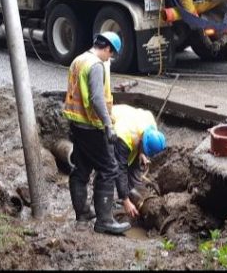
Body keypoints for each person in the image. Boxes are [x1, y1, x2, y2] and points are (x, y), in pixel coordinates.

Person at [62, 31, 132, 235]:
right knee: (109, 168)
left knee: (81, 168)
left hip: (76, 123)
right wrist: (108, 124)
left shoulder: (79, 60)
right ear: (108, 48)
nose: (110, 58)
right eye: (111, 54)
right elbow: (96, 98)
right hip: (91, 126)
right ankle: (104, 221)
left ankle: (83, 212)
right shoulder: (95, 65)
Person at [110, 104, 167, 211]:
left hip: (130, 126)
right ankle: (104, 203)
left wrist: (141, 153)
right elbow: (120, 169)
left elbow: (141, 140)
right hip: (109, 125)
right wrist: (125, 201)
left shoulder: (151, 127)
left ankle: (136, 199)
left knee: (134, 170)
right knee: (109, 168)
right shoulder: (124, 136)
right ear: (142, 141)